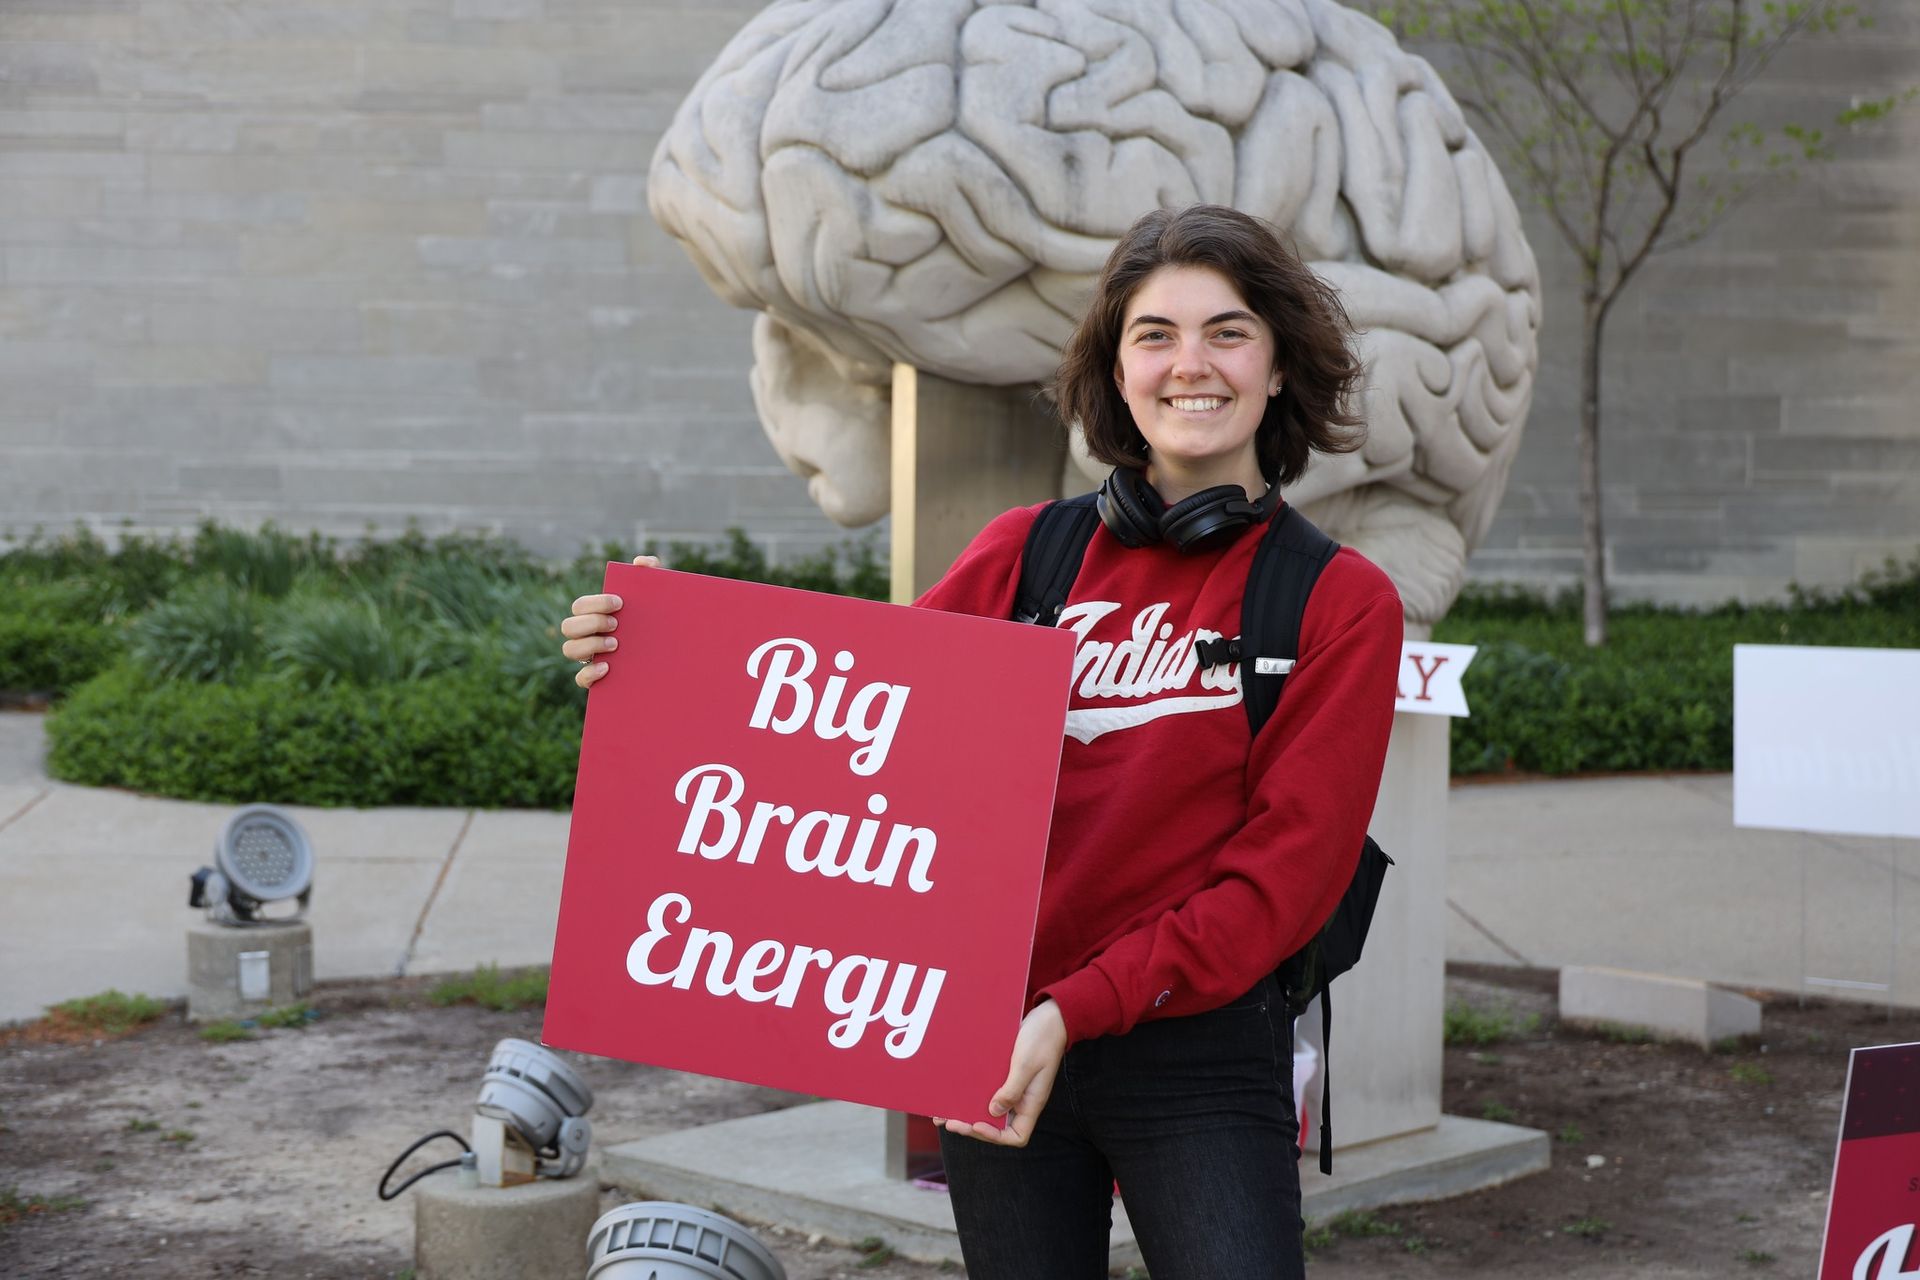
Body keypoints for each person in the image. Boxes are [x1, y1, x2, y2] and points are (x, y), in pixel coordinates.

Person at [561, 204, 1401, 1279]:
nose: (1191, 364)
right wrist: (662, 666)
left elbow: (1281, 884)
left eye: (1227, 333)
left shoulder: (1336, 602)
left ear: (1278, 366)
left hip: (1196, 1054)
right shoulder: (1023, 556)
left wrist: (1074, 1010)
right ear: (1118, 370)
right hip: (987, 1036)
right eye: (1155, 335)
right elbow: (836, 735)